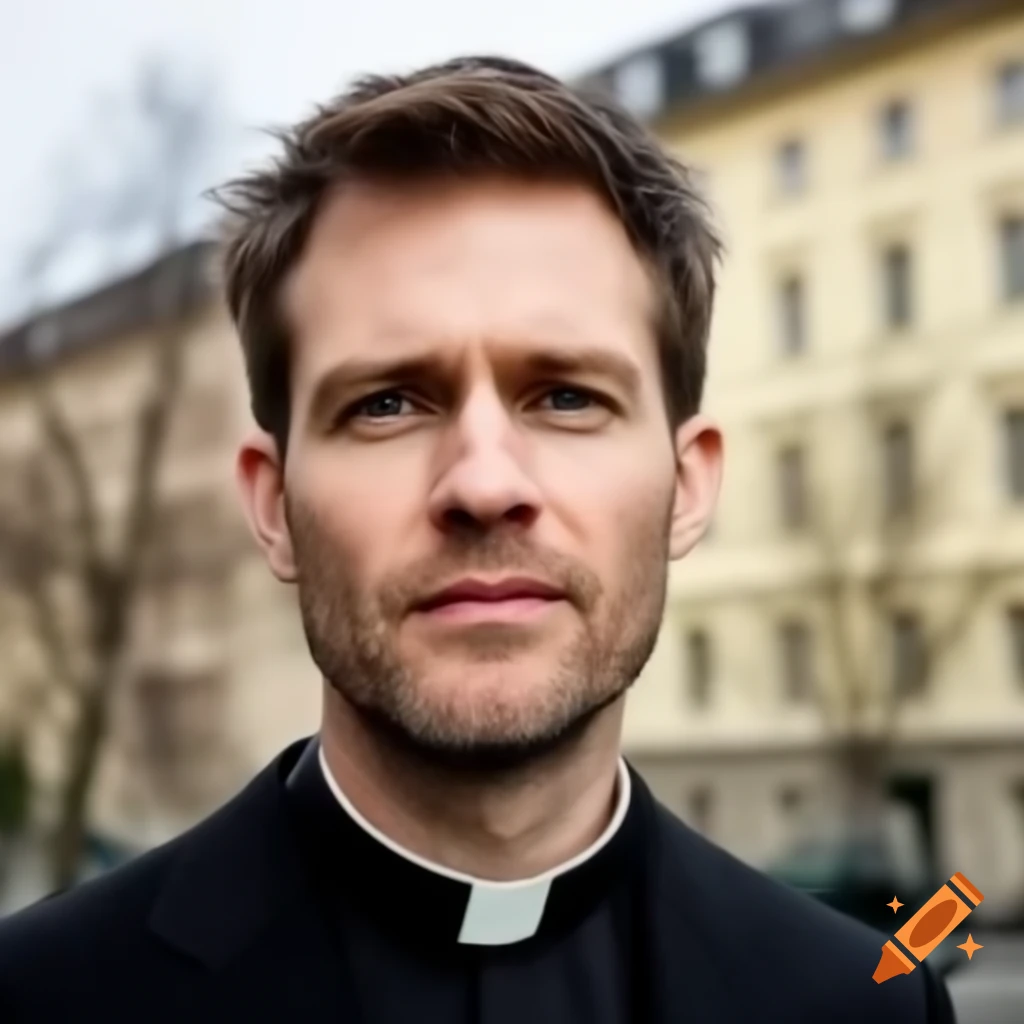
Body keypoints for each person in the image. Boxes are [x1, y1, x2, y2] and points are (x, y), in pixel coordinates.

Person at [0, 56, 955, 1023]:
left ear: (688, 486)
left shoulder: (861, 1005)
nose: (485, 483)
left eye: (568, 397)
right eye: (386, 404)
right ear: (275, 504)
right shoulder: (42, 1000)